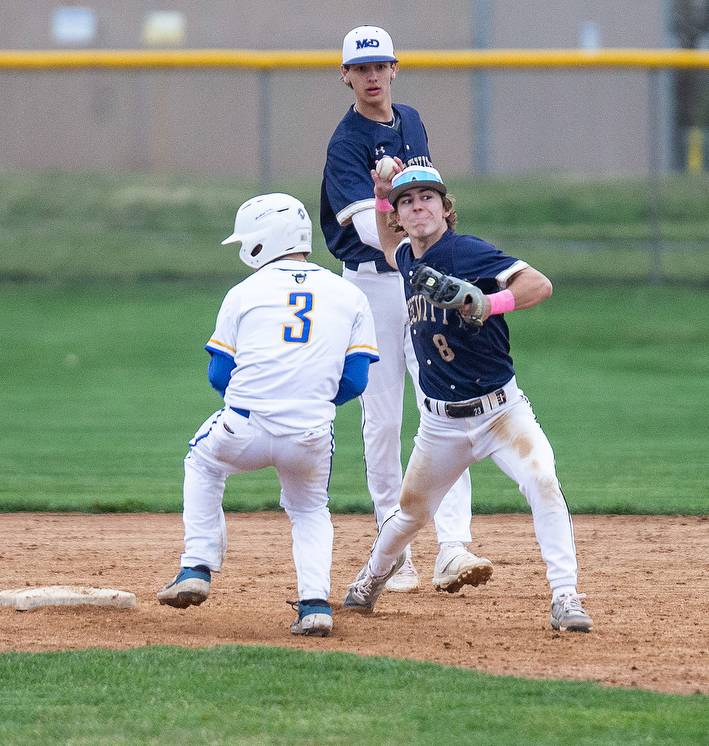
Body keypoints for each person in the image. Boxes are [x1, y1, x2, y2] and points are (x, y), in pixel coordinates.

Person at [341, 164, 594, 633]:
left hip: (501, 413)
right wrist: (380, 197)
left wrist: (484, 302)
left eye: (427, 198)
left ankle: (566, 596)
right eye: (408, 201)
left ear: (446, 208)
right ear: (399, 215)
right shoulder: (410, 260)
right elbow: (391, 243)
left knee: (542, 480)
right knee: (410, 514)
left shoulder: (466, 251)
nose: (418, 206)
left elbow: (539, 285)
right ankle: (370, 580)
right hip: (441, 425)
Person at [157, 193, 379, 638]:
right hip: (311, 435)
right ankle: (316, 604)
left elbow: (220, 373)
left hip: (244, 426)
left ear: (262, 240)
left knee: (202, 463)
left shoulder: (244, 293)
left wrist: (265, 394)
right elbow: (355, 381)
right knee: (311, 510)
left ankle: (196, 567)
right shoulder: (349, 294)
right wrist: (306, 397)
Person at [320, 24, 490, 594]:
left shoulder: (411, 121)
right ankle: (395, 551)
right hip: (370, 287)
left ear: (394, 69)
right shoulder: (345, 143)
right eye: (360, 69)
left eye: (380, 66)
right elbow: (371, 229)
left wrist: (427, 238)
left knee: (445, 402)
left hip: (419, 276)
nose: (371, 77)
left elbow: (426, 201)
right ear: (345, 75)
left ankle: (455, 547)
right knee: (384, 420)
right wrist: (400, 226)